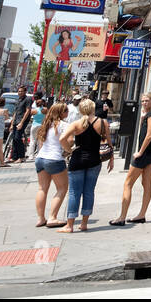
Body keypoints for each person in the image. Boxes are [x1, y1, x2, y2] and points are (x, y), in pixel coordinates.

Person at [57, 98, 113, 233]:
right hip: (94, 160)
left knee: (74, 193)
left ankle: (69, 225)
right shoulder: (102, 122)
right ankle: (84, 223)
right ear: (93, 108)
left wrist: (69, 150)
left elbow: (62, 139)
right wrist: (111, 158)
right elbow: (109, 142)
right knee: (89, 192)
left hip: (78, 160)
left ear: (81, 110)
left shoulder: (76, 124)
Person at [110, 93, 151, 226]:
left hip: (144, 154)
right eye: (143, 101)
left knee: (128, 183)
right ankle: (141, 215)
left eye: (147, 100)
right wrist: (143, 118)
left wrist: (139, 152)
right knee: (146, 184)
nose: (144, 103)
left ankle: (122, 217)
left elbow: (148, 135)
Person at [34, 103, 70, 227]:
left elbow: (40, 143)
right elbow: (67, 141)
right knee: (62, 188)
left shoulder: (45, 125)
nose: (68, 113)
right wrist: (69, 151)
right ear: (61, 113)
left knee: (42, 188)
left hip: (41, 158)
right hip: (55, 159)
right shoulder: (64, 125)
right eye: (66, 111)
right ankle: (52, 217)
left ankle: (40, 218)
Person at [9, 86, 34, 162]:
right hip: (16, 120)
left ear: (25, 92)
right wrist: (12, 123)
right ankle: (14, 157)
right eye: (19, 91)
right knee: (14, 139)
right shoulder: (18, 100)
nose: (20, 92)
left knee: (18, 138)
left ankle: (21, 156)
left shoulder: (28, 99)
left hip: (22, 121)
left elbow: (27, 111)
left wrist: (22, 122)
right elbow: (15, 112)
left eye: (21, 91)